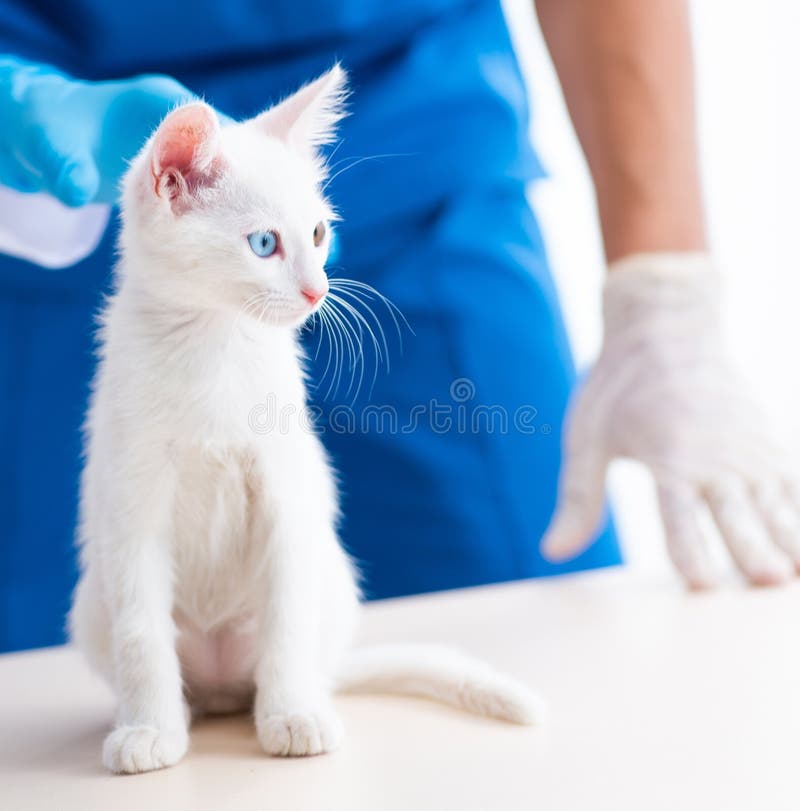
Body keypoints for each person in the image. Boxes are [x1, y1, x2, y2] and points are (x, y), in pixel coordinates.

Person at [1, 0, 796, 652]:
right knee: (62, 690)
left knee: (542, 649)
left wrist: (663, 290)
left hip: (410, 144)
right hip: (61, 175)